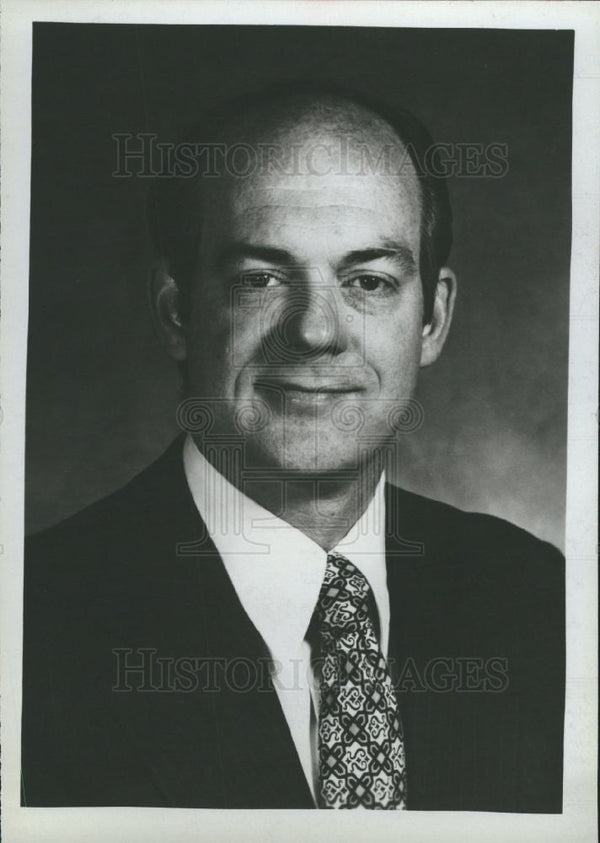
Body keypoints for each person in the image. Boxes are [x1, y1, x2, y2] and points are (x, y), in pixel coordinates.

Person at [21, 82, 564, 812]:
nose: (315, 331)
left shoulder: (538, 598)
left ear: (432, 318)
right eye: (261, 278)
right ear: (177, 311)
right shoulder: (31, 622)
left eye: (368, 280)